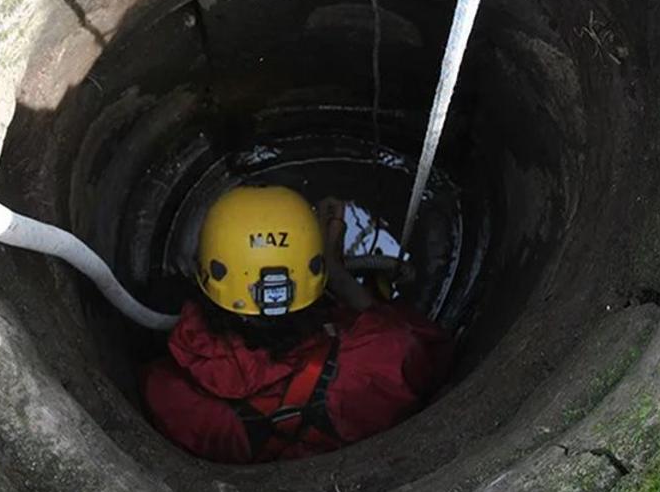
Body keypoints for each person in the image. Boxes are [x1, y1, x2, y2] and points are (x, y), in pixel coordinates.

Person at [143, 185, 450, 464]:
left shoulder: (172, 396)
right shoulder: (377, 360)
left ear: (207, 275)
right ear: (314, 278)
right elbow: (427, 344)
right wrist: (338, 275)